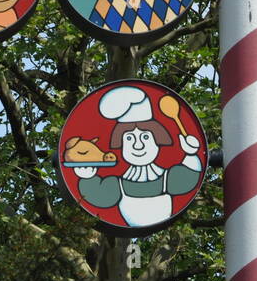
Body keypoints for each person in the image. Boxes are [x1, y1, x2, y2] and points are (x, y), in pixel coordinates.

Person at [73, 85, 202, 228]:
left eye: (145, 137)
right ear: (120, 145)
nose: (138, 145)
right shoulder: (118, 185)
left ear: (158, 139)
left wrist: (191, 154)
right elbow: (98, 196)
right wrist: (87, 177)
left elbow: (189, 179)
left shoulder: (167, 179)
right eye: (129, 139)